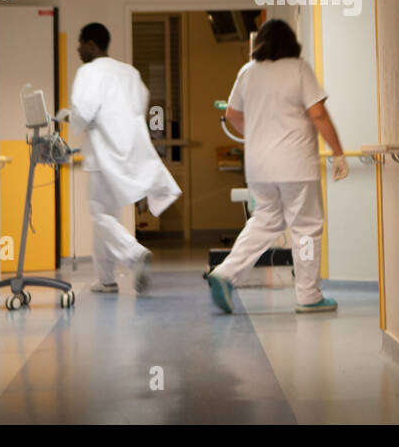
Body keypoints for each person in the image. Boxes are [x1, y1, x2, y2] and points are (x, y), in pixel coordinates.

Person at [207, 18, 349, 315]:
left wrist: (259, 135)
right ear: (290, 43)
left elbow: (232, 114)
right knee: (306, 227)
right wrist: (338, 153)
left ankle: (225, 273)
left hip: (259, 166)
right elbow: (318, 113)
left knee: (264, 220)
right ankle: (309, 295)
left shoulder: (247, 72)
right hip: (295, 165)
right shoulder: (298, 69)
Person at [57, 22, 180, 294]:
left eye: (80, 43)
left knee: (100, 214)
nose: (78, 49)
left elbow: (84, 113)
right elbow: (137, 107)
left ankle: (133, 253)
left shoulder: (89, 71)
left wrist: (68, 117)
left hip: (102, 156)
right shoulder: (130, 73)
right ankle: (106, 280)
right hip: (128, 153)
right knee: (107, 216)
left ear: (91, 44)